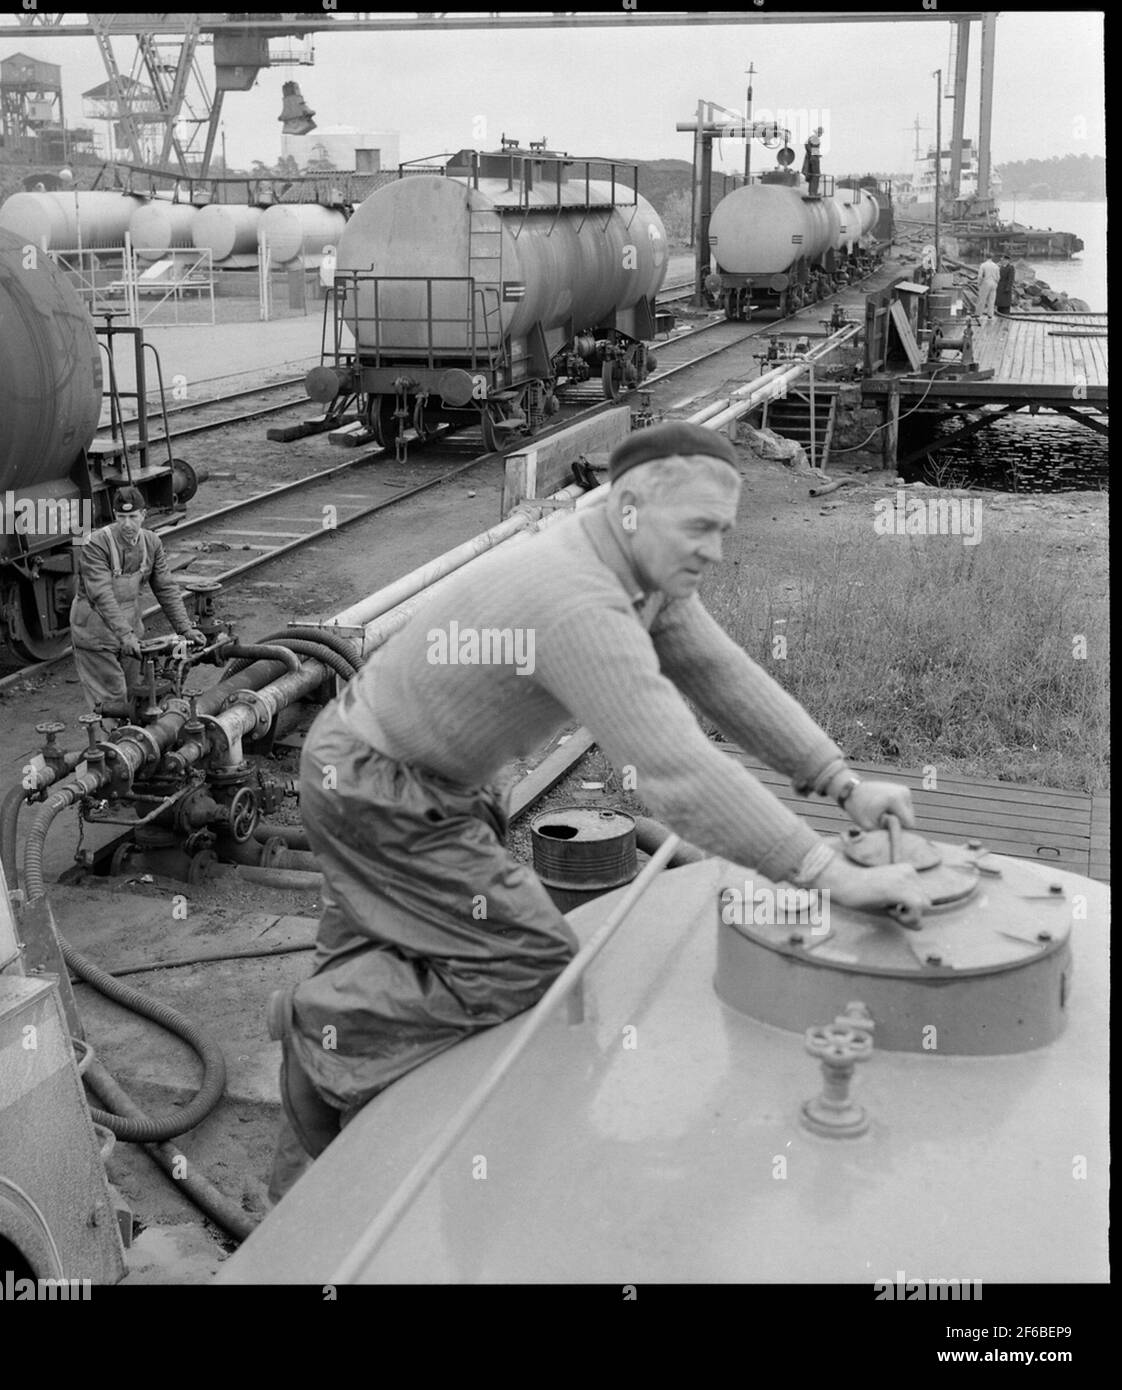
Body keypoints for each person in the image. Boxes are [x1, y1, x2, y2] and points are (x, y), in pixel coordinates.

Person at [266, 420, 930, 1201]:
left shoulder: (634, 571)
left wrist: (842, 783)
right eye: (701, 528)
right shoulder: (577, 601)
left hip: (418, 772)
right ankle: (314, 1023)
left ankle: (327, 1135)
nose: (715, 550)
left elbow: (722, 675)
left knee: (394, 943)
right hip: (380, 791)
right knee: (526, 963)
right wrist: (823, 872)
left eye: (724, 530)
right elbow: (675, 769)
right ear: (630, 508)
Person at [70, 486, 205, 713]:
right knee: (112, 702)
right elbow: (101, 596)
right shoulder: (96, 544)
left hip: (130, 634)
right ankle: (110, 746)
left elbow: (166, 588)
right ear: (114, 516)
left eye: (133, 517)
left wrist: (185, 628)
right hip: (95, 635)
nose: (127, 524)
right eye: (121, 517)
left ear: (143, 515)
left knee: (135, 696)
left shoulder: (151, 543)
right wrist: (125, 635)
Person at [974, 254, 1000, 320]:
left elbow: (980, 276)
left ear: (986, 257)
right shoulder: (996, 266)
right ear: (992, 258)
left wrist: (978, 284)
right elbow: (998, 277)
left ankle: (978, 314)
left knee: (982, 299)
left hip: (986, 282)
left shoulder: (983, 265)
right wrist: (996, 282)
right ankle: (990, 315)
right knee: (992, 300)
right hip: (994, 283)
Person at [802, 127, 824, 196]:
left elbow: (807, 145)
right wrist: (814, 154)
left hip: (812, 158)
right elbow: (811, 147)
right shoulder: (815, 138)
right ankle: (813, 192)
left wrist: (814, 153)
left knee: (813, 175)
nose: (821, 134)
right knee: (816, 175)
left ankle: (812, 192)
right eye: (820, 133)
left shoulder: (812, 138)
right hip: (814, 159)